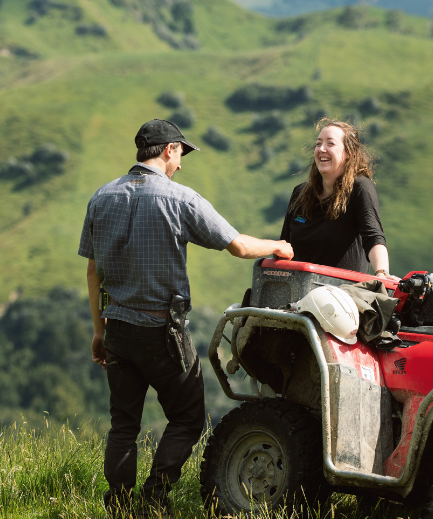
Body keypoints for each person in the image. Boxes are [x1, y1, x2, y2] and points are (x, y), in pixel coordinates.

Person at [78, 119, 293, 518]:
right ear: (169, 149)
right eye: (181, 155)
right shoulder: (180, 199)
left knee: (123, 424)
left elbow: (94, 272)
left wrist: (97, 330)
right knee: (189, 416)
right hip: (162, 331)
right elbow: (240, 246)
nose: (181, 165)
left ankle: (120, 508)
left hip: (117, 329)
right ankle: (154, 496)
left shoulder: (101, 197)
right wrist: (279, 246)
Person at [281, 118, 397, 280]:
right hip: (298, 296)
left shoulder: (360, 188)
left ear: (349, 153)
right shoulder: (299, 193)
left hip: (342, 298)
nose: (322, 149)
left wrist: (382, 273)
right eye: (318, 143)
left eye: (330, 143)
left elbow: (373, 237)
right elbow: (284, 248)